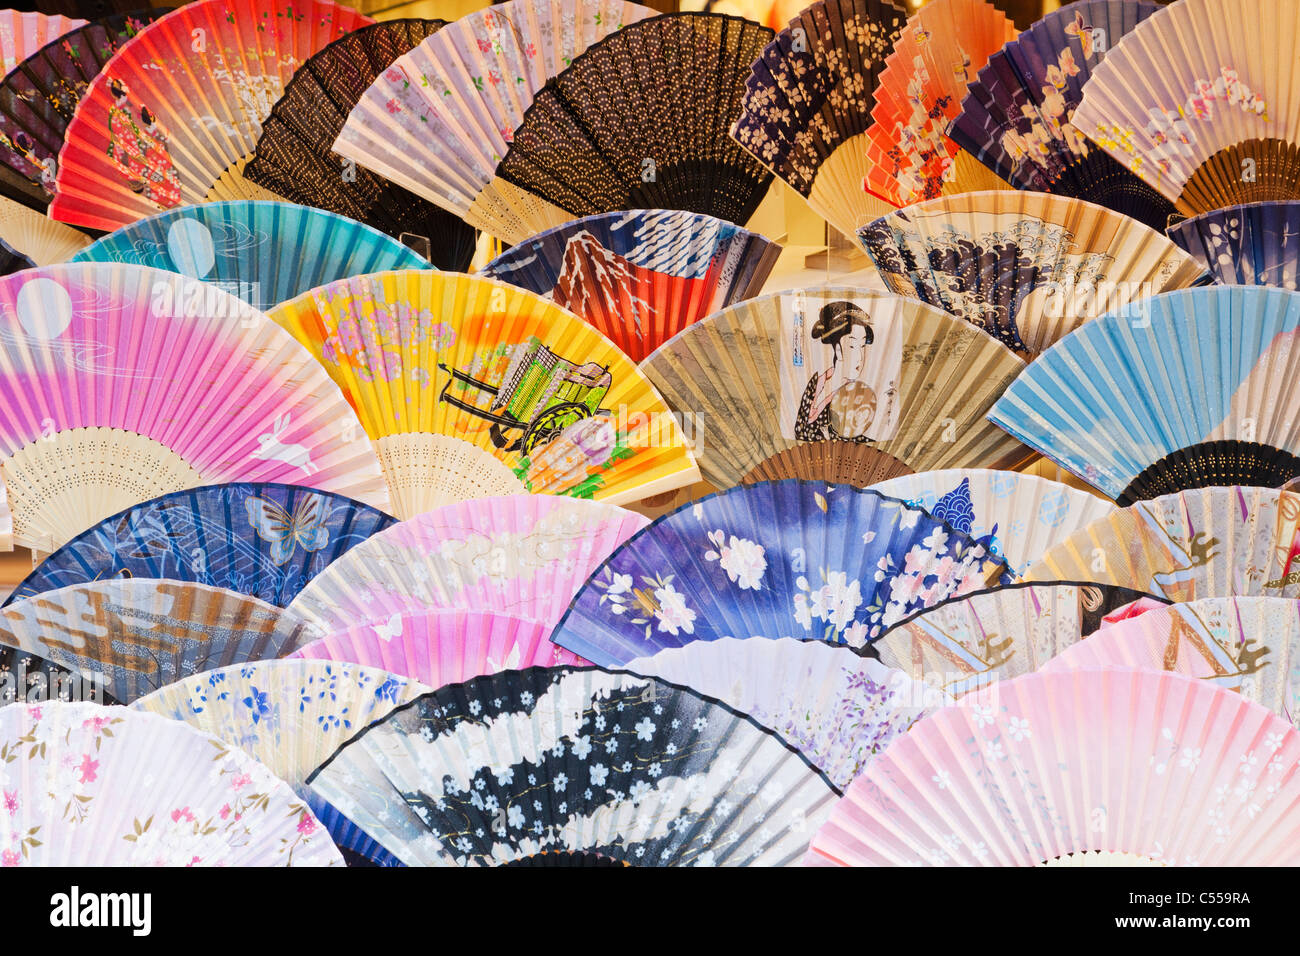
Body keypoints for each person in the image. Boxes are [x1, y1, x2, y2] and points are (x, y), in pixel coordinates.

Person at [795, 300, 895, 443]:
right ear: (838, 350)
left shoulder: (859, 395)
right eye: (853, 346)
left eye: (862, 346)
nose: (860, 357)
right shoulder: (814, 386)